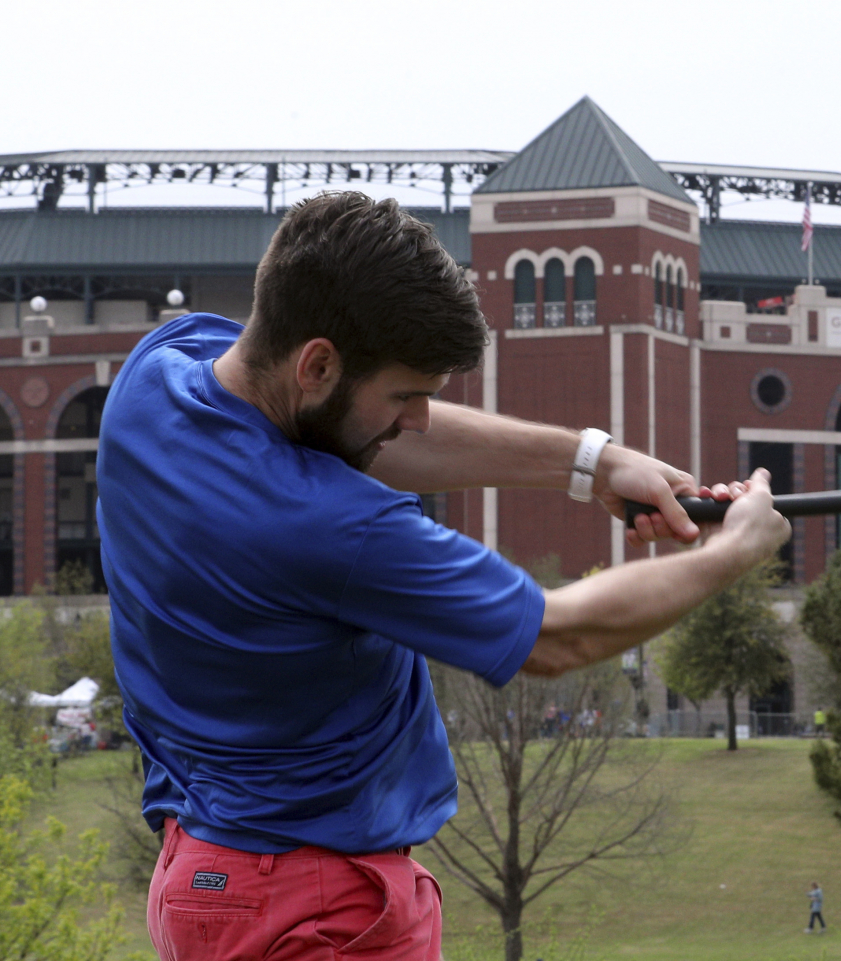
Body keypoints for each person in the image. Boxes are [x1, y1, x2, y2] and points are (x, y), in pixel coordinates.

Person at [99, 192, 791, 961]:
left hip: (206, 878)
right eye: (407, 394)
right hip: (313, 907)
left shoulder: (157, 376)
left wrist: (591, 462)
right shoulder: (333, 527)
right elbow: (556, 635)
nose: (422, 418)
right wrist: (732, 553)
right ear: (317, 362)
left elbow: (353, 430)